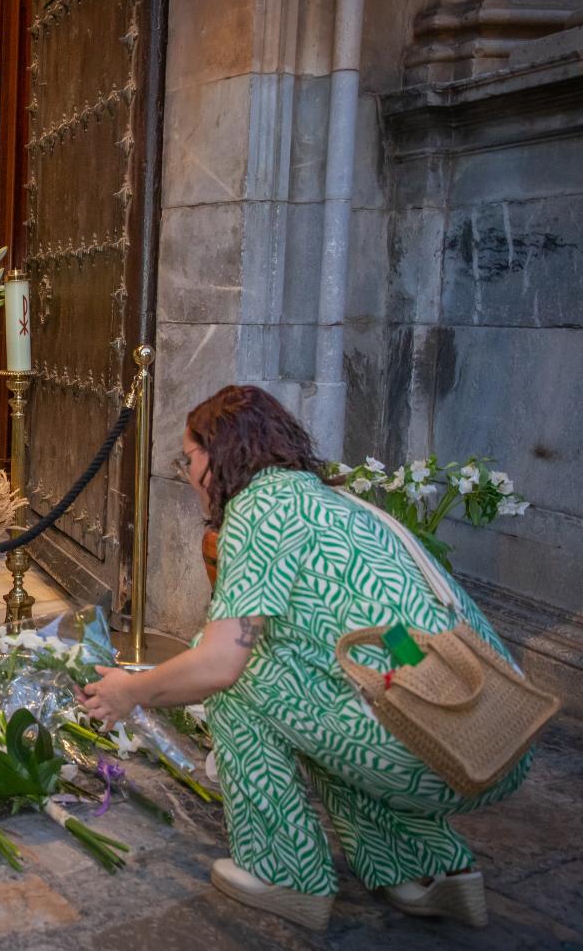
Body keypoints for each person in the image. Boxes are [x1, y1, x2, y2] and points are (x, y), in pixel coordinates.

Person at [79, 385, 530, 932]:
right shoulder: (328, 500)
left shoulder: (259, 510)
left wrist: (129, 691)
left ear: (219, 455)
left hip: (426, 749)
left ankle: (283, 874)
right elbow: (389, 643)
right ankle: (428, 869)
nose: (186, 472)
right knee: (324, 701)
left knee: (240, 687)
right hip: (480, 731)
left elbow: (221, 664)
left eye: (189, 457)